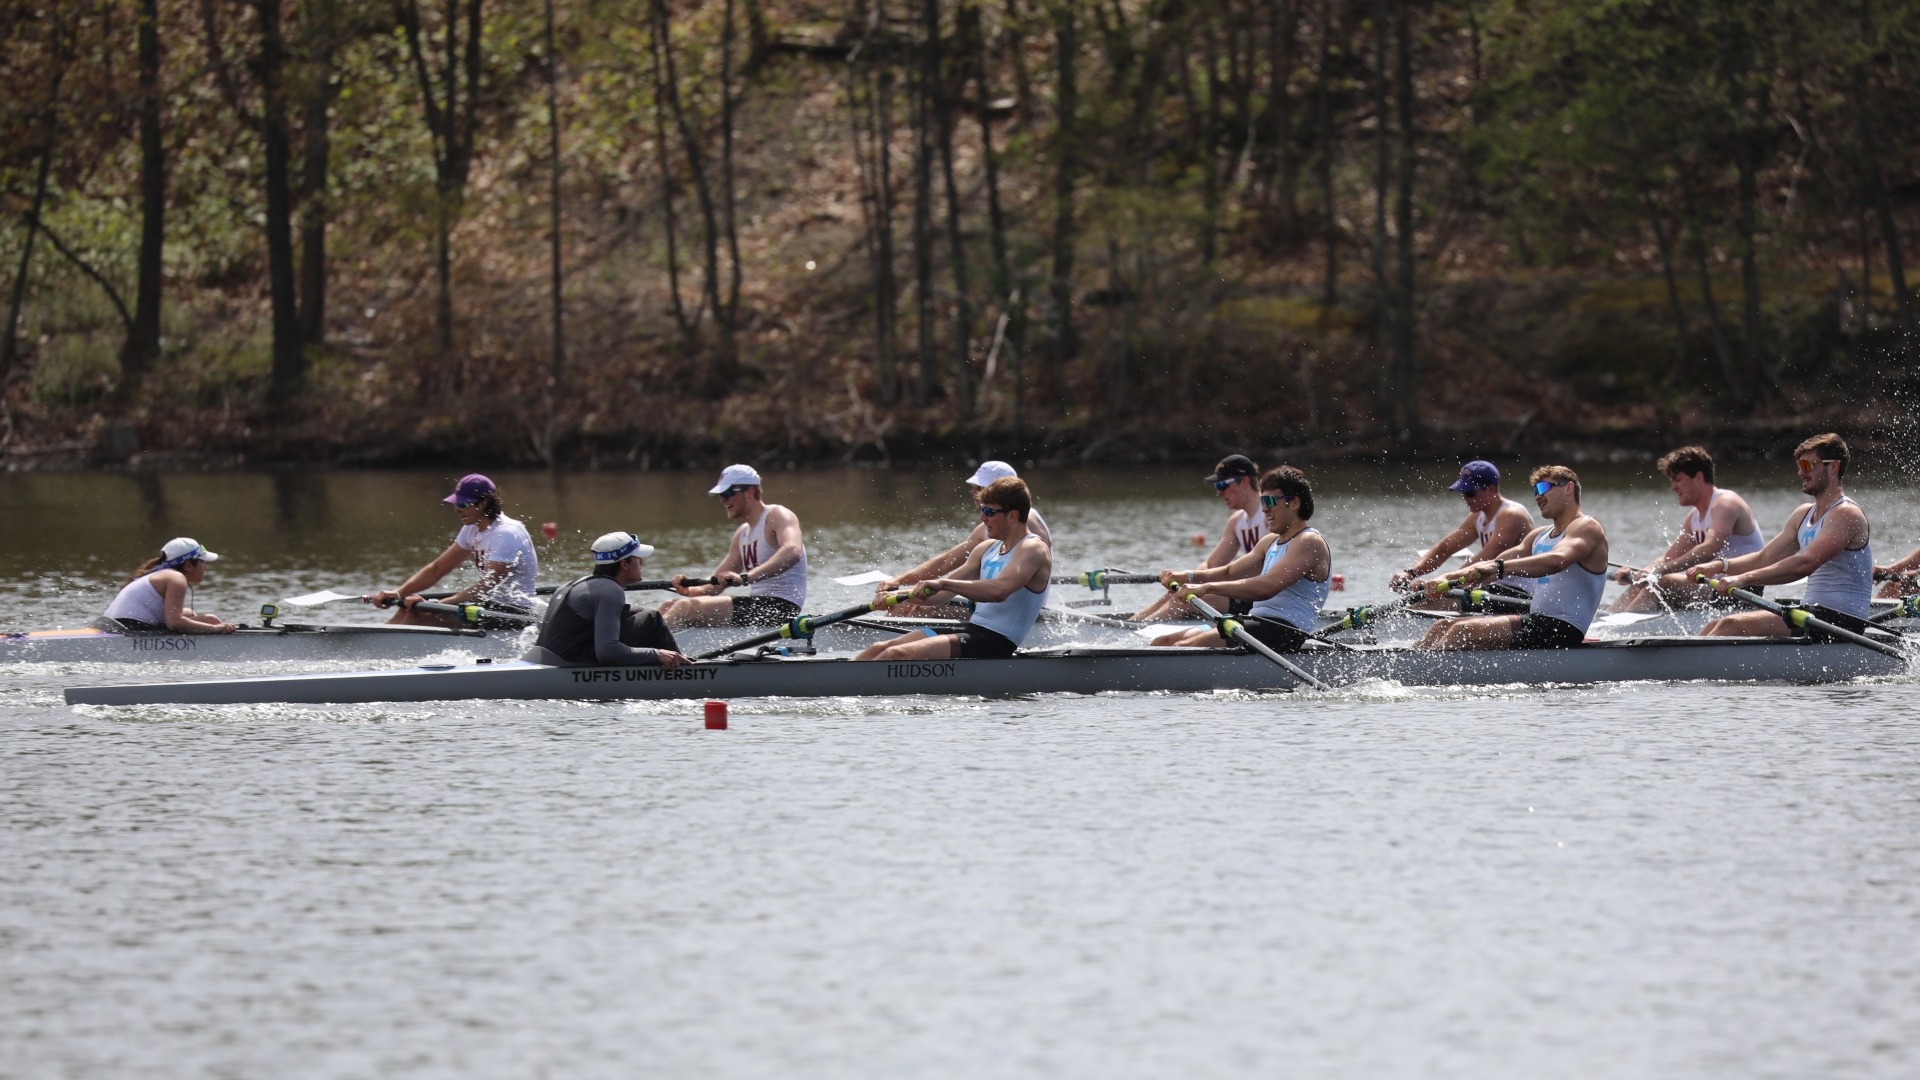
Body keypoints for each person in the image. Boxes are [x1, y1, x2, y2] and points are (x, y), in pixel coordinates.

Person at [1683, 433, 1875, 638]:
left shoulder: (1846, 513)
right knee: (1715, 625)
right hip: (1815, 615)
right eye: (1798, 466)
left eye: (1807, 465)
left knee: (1731, 625)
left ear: (1833, 467)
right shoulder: (1803, 514)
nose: (1801, 472)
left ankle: (1688, 669)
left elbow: (1805, 563)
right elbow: (1764, 558)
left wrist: (1742, 579)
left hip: (1842, 622)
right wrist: (1720, 566)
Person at [856, 477, 1052, 661]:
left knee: (896, 654)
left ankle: (855, 691)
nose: (982, 517)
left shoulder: (1032, 548)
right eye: (982, 510)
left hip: (997, 641)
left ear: (1012, 516)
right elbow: (937, 595)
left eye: (989, 512)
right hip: (972, 631)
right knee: (879, 648)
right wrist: (897, 597)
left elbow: (999, 591)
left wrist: (943, 583)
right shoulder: (986, 548)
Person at [1416, 465, 1609, 650]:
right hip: (1537, 622)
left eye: (1543, 488)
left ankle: (1428, 677)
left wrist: (1498, 568)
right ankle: (1410, 668)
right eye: (1534, 490)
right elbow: (1490, 566)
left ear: (1568, 488)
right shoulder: (1539, 535)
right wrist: (1445, 579)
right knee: (1441, 626)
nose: (1537, 496)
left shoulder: (1587, 526)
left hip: (1563, 628)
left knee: (1461, 630)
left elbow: (1557, 560)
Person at [1149, 466, 1332, 653]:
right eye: (1262, 501)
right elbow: (1229, 572)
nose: (1264, 509)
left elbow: (1267, 587)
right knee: (1164, 641)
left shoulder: (1309, 541)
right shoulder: (1270, 541)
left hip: (1284, 631)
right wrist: (1187, 576)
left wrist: (1207, 588)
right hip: (1256, 623)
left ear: (1293, 503)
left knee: (1183, 648)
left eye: (1270, 501)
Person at [1607, 446, 1765, 613]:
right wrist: (1644, 572)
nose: (1673, 487)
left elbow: (1709, 549)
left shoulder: (1726, 503)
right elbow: (1670, 557)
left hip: (1741, 589)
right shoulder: (1694, 517)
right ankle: (1606, 625)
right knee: (1644, 582)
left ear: (1698, 477)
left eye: (1677, 479)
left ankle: (1624, 629)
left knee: (1662, 582)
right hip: (1715, 587)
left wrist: (1659, 572)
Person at [875, 459, 1052, 608]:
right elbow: (947, 562)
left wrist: (901, 588)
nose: (973, 493)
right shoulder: (991, 531)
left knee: (907, 608)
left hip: (1017, 609)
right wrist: (899, 583)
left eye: (978, 487)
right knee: (905, 604)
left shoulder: (1024, 523)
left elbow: (1022, 577)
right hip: (993, 602)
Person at [372, 473, 539, 628]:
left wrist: (435, 606)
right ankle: (374, 645)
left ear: (483, 504)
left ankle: (381, 652)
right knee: (408, 607)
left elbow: (484, 587)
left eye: (463, 504)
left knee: (420, 614)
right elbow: (436, 569)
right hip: (487, 606)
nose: (457, 510)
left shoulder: (506, 533)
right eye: (456, 504)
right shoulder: (471, 529)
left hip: (514, 613)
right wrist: (399, 593)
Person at [662, 464, 809, 628]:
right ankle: (639, 648)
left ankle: (648, 650)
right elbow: (715, 585)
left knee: (684, 608)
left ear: (750, 492)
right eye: (721, 495)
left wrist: (746, 578)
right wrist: (689, 590)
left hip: (781, 608)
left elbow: (792, 551)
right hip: (757, 606)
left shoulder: (777, 515)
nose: (723, 500)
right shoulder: (742, 533)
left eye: (728, 493)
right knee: (670, 604)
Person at [1131, 453, 1267, 622]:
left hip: (1264, 597)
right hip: (1244, 592)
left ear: (1245, 482)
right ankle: (1130, 624)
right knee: (1177, 593)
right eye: (1216, 486)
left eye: (1222, 485)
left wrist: (1195, 581)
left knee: (1182, 600)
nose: (1218, 493)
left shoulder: (1270, 515)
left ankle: (1135, 633)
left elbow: (1260, 569)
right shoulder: (1237, 521)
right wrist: (1186, 579)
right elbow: (1211, 564)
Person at [532, 531, 688, 667]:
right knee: (651, 620)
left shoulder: (573, 584)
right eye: (637, 558)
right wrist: (656, 654)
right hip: (570, 664)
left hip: (545, 660)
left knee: (637, 612)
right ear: (624, 564)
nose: (642, 562)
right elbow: (607, 652)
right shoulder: (610, 590)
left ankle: (671, 663)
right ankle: (683, 670)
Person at [1389, 459, 1536, 602]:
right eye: (1462, 492)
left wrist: (1445, 581)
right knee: (1416, 601)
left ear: (1490, 489)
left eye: (1470, 493)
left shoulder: (1511, 514)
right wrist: (1411, 573)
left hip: (1519, 592)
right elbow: (1445, 548)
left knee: (1423, 603)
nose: (1465, 498)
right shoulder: (1477, 516)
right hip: (1490, 585)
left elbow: (1489, 556)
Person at [102, 537, 238, 634]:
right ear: (188, 565)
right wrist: (215, 629)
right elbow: (174, 623)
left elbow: (171, 617)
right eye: (203, 562)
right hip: (127, 630)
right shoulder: (176, 578)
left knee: (194, 614)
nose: (205, 567)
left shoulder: (161, 575)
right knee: (211, 621)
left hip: (109, 625)